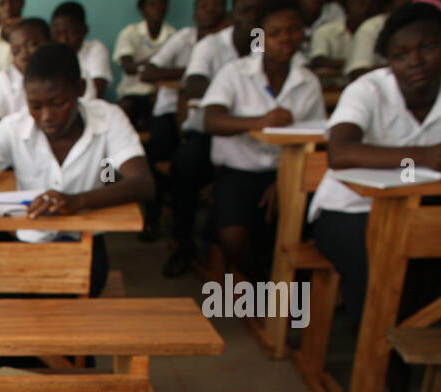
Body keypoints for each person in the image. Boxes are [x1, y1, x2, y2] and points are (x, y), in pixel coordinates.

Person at [309, 0, 441, 392]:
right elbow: (340, 153)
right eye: (400, 54)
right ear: (387, 59)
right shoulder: (369, 90)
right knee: (378, 271)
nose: (415, 61)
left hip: (424, 211)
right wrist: (425, 155)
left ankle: (422, 359)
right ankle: (391, 388)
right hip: (350, 210)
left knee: (430, 271)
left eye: (428, 46)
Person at [0, 42, 155, 296]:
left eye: (58, 103)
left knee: (69, 297)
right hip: (29, 248)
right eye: (36, 106)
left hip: (86, 249)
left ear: (80, 89)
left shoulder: (108, 117)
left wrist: (77, 201)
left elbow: (143, 183)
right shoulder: (13, 127)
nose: (46, 116)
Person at [203, 0, 326, 279]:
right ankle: (260, 284)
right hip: (238, 172)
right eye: (276, 32)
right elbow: (211, 120)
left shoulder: (308, 82)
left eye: (294, 30)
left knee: (305, 232)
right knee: (233, 238)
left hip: (288, 172)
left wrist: (282, 180)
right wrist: (259, 122)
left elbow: (317, 139)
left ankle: (291, 285)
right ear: (260, 36)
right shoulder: (235, 73)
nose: (286, 38)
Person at [164, 0, 264, 276]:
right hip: (212, 132)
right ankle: (182, 243)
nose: (252, 18)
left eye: (258, 11)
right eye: (246, 10)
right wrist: (235, 94)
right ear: (234, 14)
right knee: (184, 163)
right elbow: (194, 84)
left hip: (259, 139)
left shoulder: (267, 45)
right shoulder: (211, 45)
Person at [140, 0, 232, 241]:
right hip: (171, 110)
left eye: (216, 5)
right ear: (194, 13)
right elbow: (148, 72)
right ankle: (152, 218)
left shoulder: (238, 41)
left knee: (187, 163)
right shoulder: (184, 37)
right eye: (204, 6)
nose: (210, 10)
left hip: (209, 119)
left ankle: (201, 231)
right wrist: (190, 71)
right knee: (155, 151)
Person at [0, 18, 51, 141]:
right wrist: (20, 146)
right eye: (16, 51)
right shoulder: (4, 78)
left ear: (50, 43)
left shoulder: (67, 73)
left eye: (32, 45)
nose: (23, 55)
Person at [115, 0, 178, 129]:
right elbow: (128, 67)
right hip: (133, 92)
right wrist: (156, 62)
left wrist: (145, 66)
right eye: (152, 4)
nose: (158, 8)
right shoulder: (130, 33)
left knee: (167, 118)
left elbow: (175, 69)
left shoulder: (174, 35)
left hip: (161, 93)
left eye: (162, 4)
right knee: (123, 110)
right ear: (142, 9)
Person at [51, 1, 113, 99]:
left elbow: (96, 92)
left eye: (70, 33)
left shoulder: (95, 49)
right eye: (57, 34)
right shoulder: (47, 55)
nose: (63, 39)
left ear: (84, 30)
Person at [310, 0, 375, 69]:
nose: (366, 7)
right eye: (362, 3)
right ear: (349, 3)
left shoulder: (378, 33)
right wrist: (356, 64)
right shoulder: (325, 31)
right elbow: (318, 62)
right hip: (332, 79)